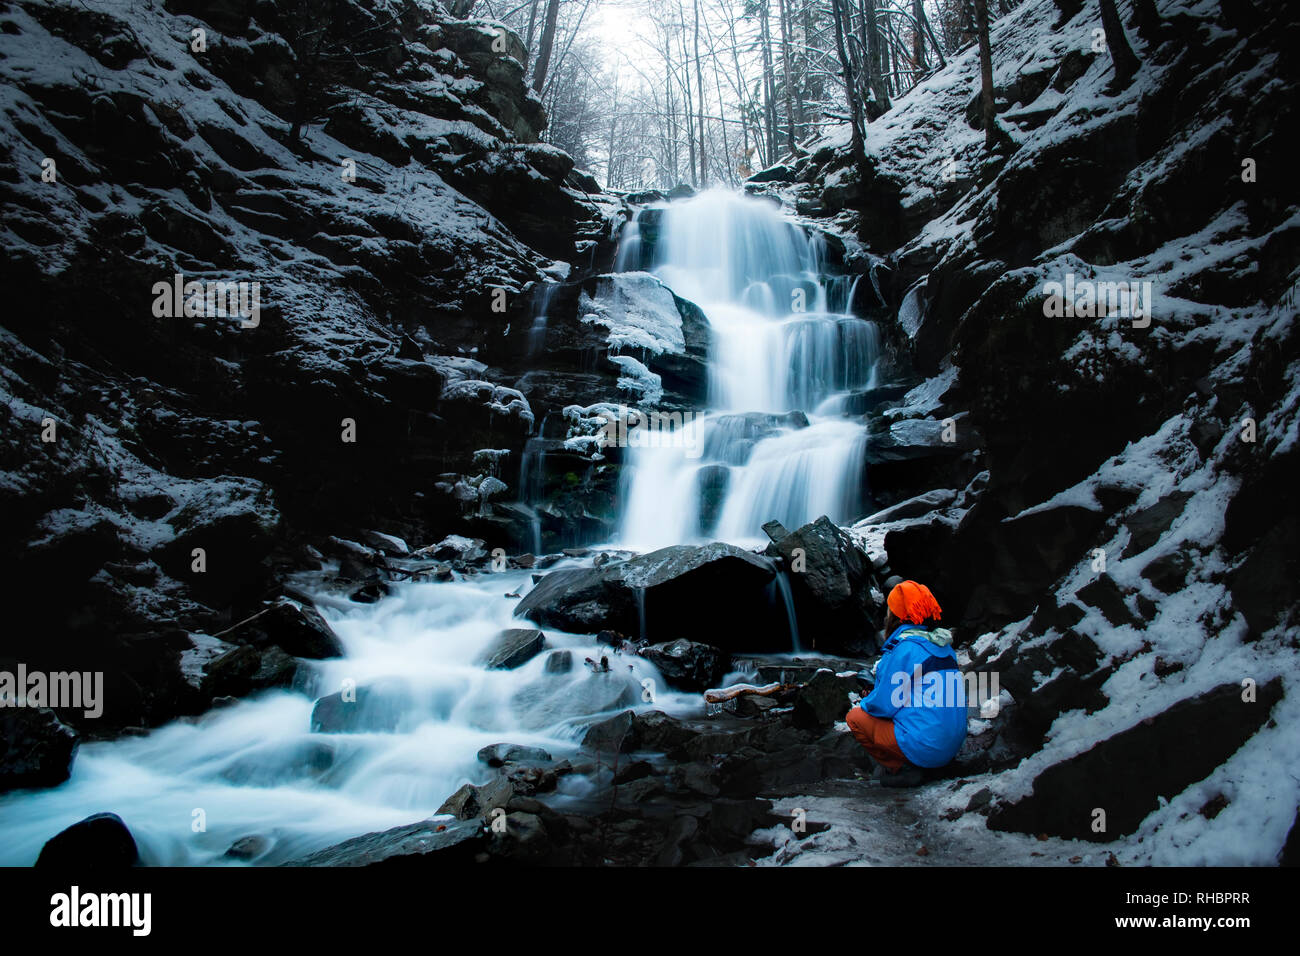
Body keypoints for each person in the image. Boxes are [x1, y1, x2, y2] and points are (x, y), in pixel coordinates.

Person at [845, 580, 967, 787]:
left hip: (926, 746)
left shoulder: (905, 648)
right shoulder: (944, 647)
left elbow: (883, 706)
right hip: (952, 744)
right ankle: (933, 764)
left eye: (889, 610)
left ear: (896, 615)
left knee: (855, 717)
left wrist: (866, 701)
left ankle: (903, 768)